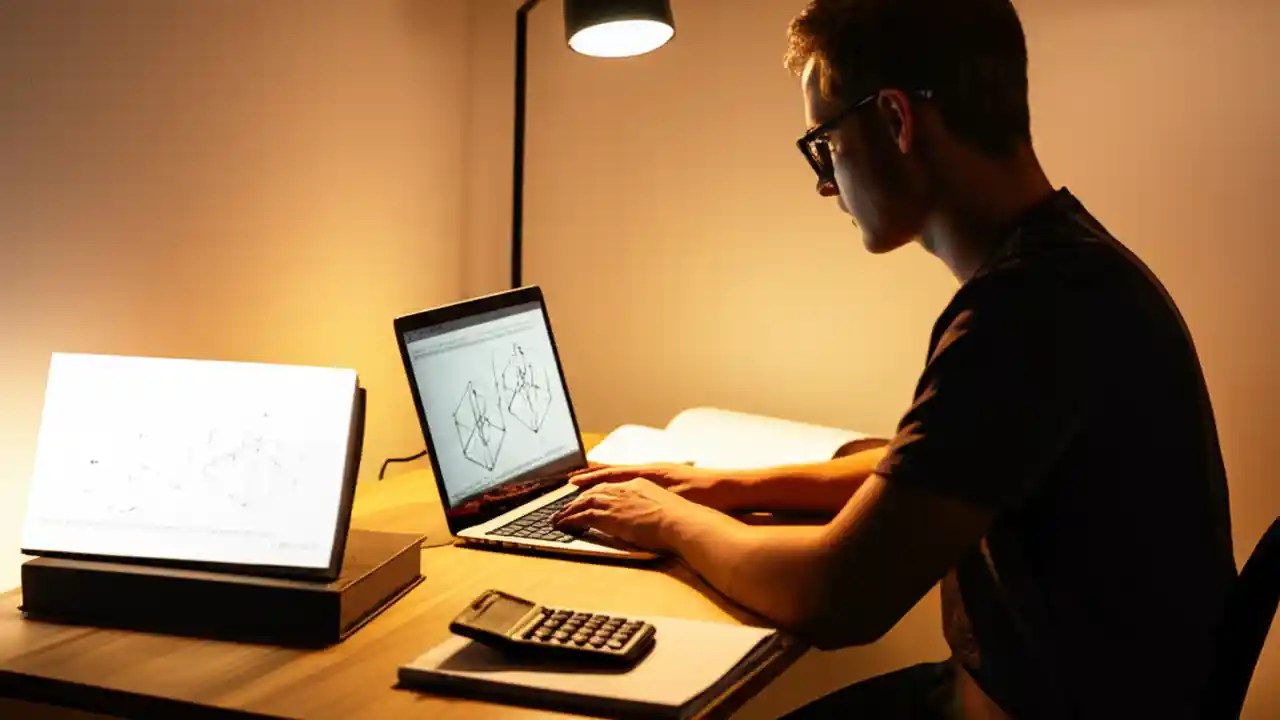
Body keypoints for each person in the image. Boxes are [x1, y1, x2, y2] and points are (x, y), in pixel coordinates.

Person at [551, 0, 1236, 717]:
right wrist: (728, 487)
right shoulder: (1068, 268)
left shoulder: (1029, 309)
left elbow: (836, 597)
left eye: (824, 144)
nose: (823, 182)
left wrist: (667, 521)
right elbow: (914, 474)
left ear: (895, 121)